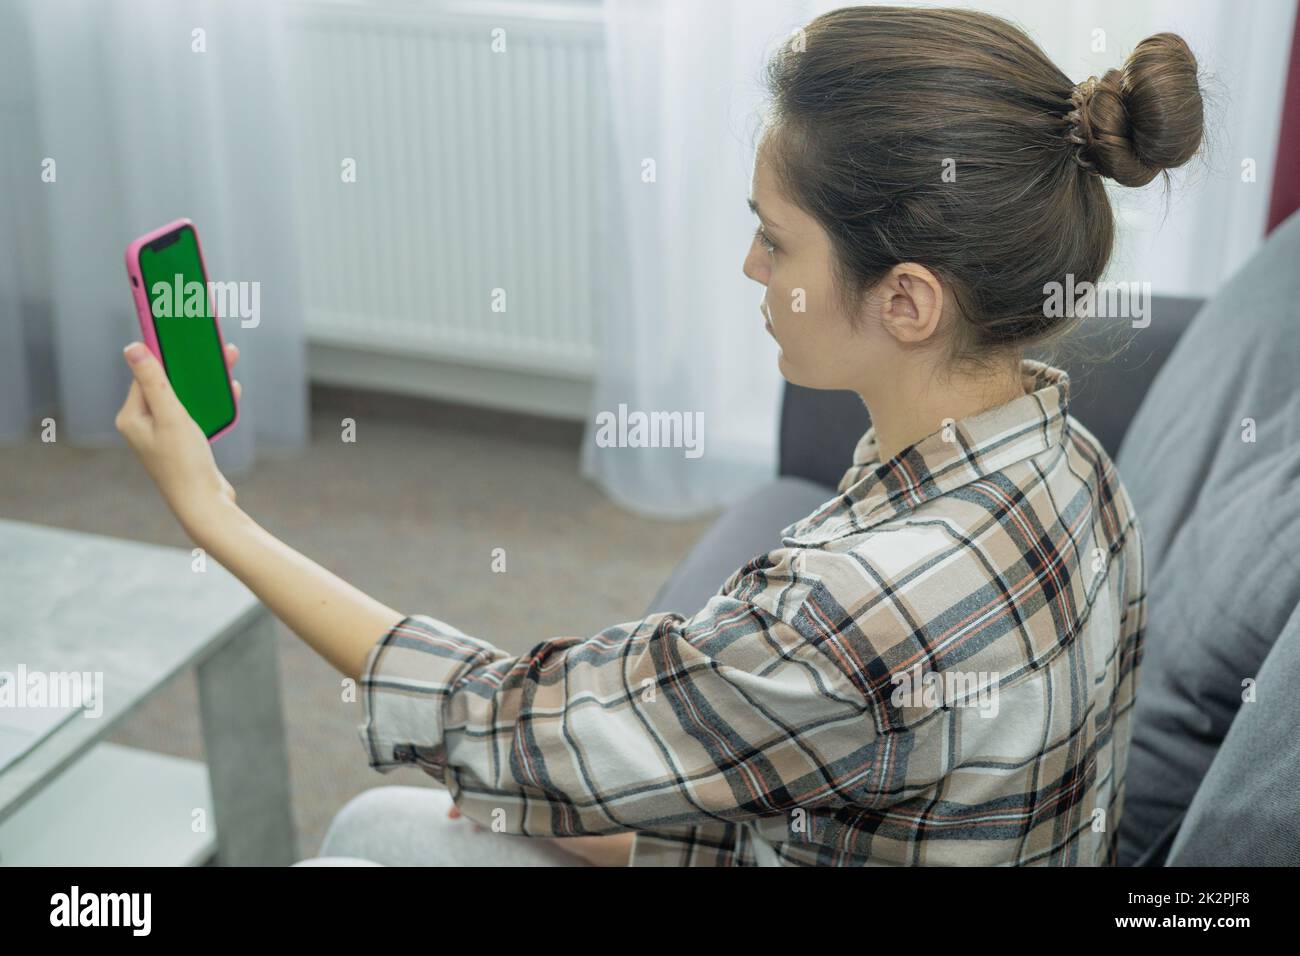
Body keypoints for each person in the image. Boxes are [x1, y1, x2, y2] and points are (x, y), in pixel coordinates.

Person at [117, 6, 1203, 866]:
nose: (751, 270)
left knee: (365, 845)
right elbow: (886, 777)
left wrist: (212, 512)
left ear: (907, 301)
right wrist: (628, 811)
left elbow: (493, 718)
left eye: (774, 243)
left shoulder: (849, 612)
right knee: (380, 828)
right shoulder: (1071, 464)